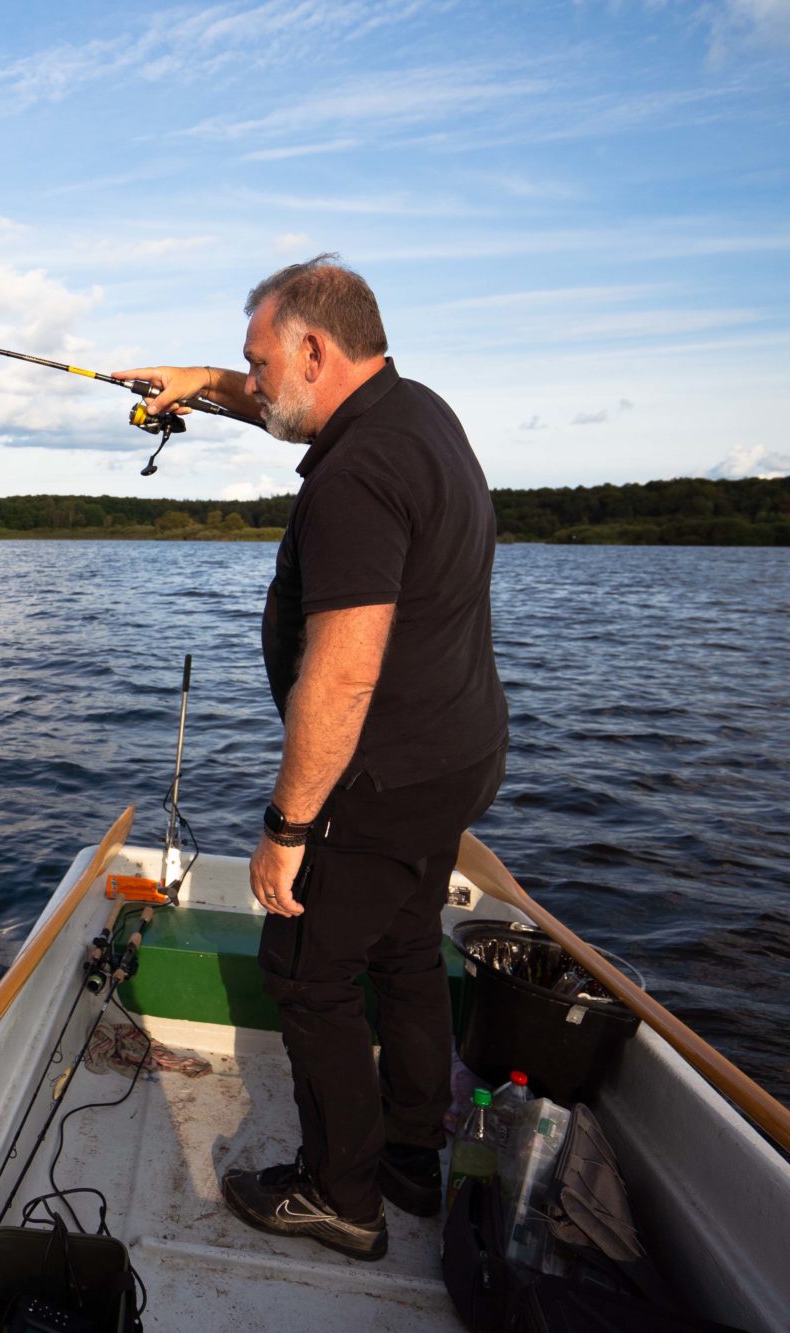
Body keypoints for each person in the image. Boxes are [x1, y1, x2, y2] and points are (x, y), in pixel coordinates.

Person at [117, 254, 507, 1263]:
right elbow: (288, 412)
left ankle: (339, 1194)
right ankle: (408, 1157)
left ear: (310, 347)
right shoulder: (414, 414)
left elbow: (339, 675)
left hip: (372, 774)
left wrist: (287, 829)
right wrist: (198, 386)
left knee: (306, 970)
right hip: (453, 759)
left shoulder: (355, 477)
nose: (251, 382)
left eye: (255, 362)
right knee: (407, 946)